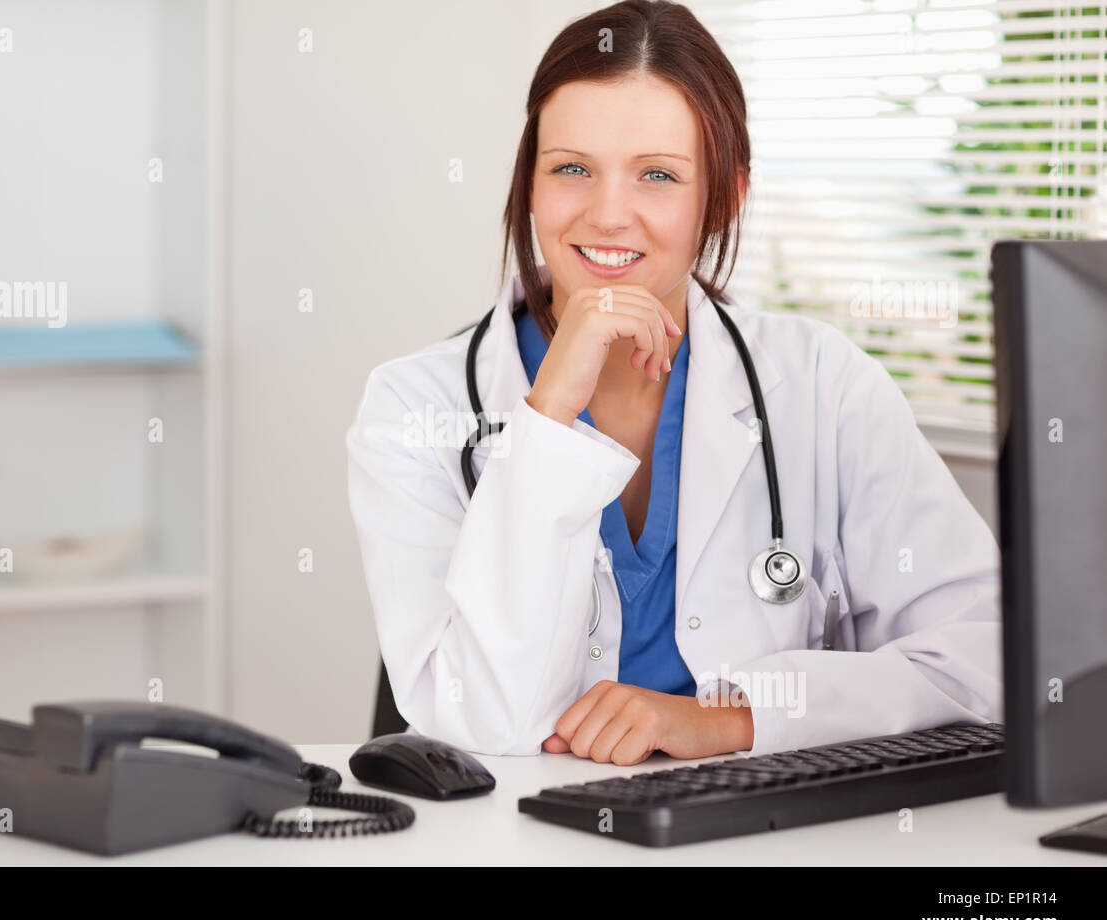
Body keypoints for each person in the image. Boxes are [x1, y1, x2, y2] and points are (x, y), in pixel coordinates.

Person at [345, 0, 1001, 764]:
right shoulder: (411, 409)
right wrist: (549, 414)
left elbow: (985, 658)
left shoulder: (827, 387)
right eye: (571, 169)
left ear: (724, 197)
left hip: (758, 832)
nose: (609, 213)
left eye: (658, 175)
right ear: (529, 184)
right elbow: (488, 721)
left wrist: (733, 721)